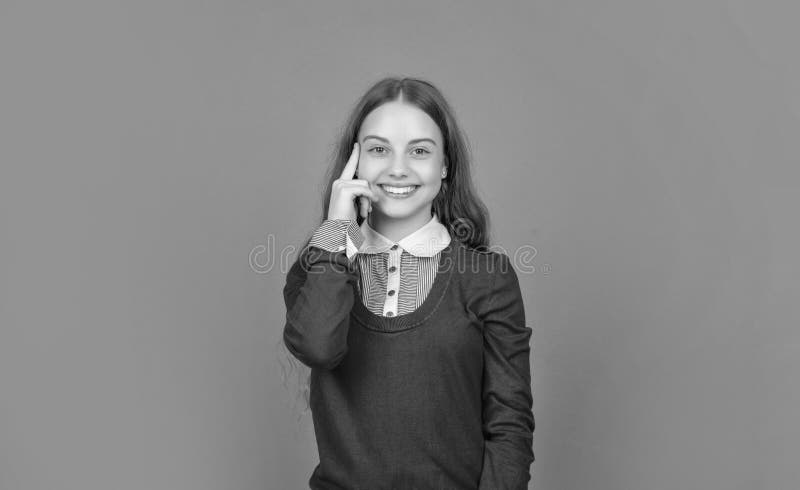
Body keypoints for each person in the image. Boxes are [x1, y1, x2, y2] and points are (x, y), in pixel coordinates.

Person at [281, 76, 535, 489]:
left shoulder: (488, 279)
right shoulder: (319, 265)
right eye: (379, 149)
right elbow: (317, 346)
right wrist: (337, 230)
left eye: (419, 151)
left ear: (445, 164)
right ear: (355, 164)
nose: (398, 168)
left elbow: (510, 427)